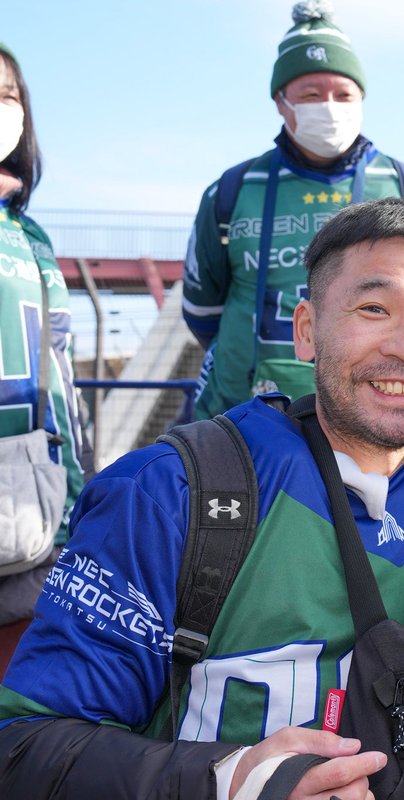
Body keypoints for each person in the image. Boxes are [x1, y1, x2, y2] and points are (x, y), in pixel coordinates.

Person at [0, 198, 404, 800]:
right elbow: (23, 748)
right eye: (374, 308)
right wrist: (234, 779)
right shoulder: (168, 494)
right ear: (306, 330)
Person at [183, 1, 404, 421]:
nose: (329, 107)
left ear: (361, 99)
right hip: (240, 417)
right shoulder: (232, 189)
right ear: (281, 102)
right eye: (311, 95)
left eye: (343, 94)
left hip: (365, 419)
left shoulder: (401, 184)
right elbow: (202, 312)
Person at [0, 43, 90, 676]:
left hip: (34, 516)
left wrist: (80, 502)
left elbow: (60, 381)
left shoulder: (30, 235)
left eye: (8, 95)